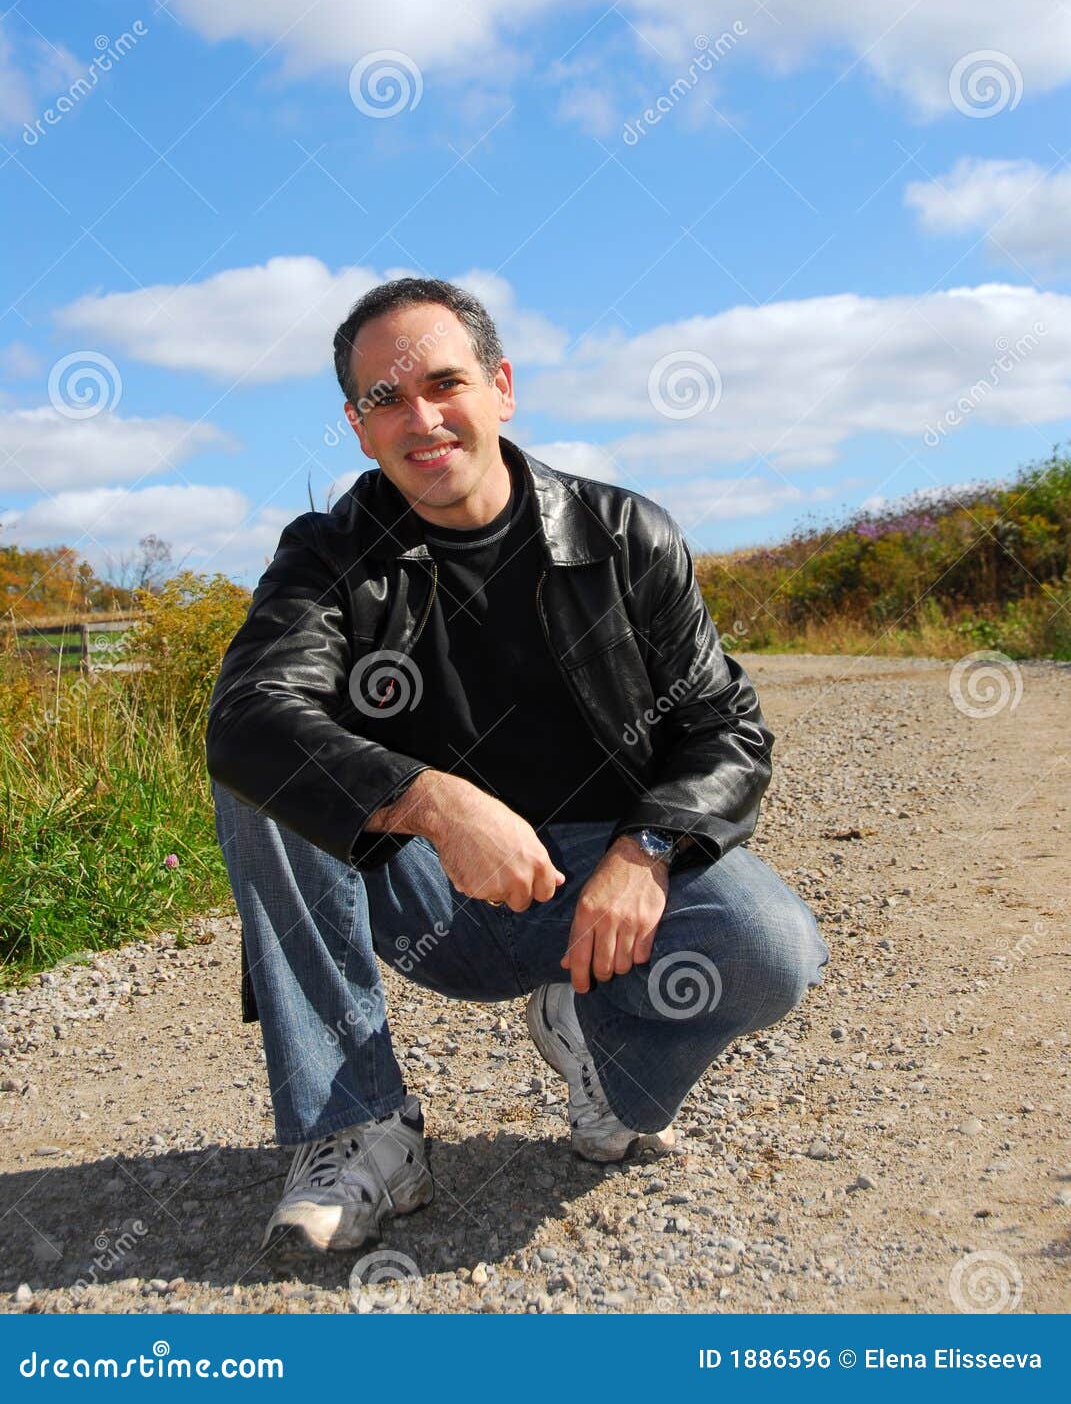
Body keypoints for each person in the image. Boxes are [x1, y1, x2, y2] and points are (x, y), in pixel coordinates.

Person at [206, 276, 829, 1261]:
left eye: (445, 382)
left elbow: (725, 727)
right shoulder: (327, 555)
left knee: (771, 943)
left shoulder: (626, 538)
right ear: (357, 426)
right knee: (264, 772)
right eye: (386, 399)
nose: (423, 418)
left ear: (501, 386)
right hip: (427, 891)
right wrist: (432, 799)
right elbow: (248, 716)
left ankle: (605, 1047)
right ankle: (359, 1125)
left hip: (594, 889)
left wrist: (648, 847)